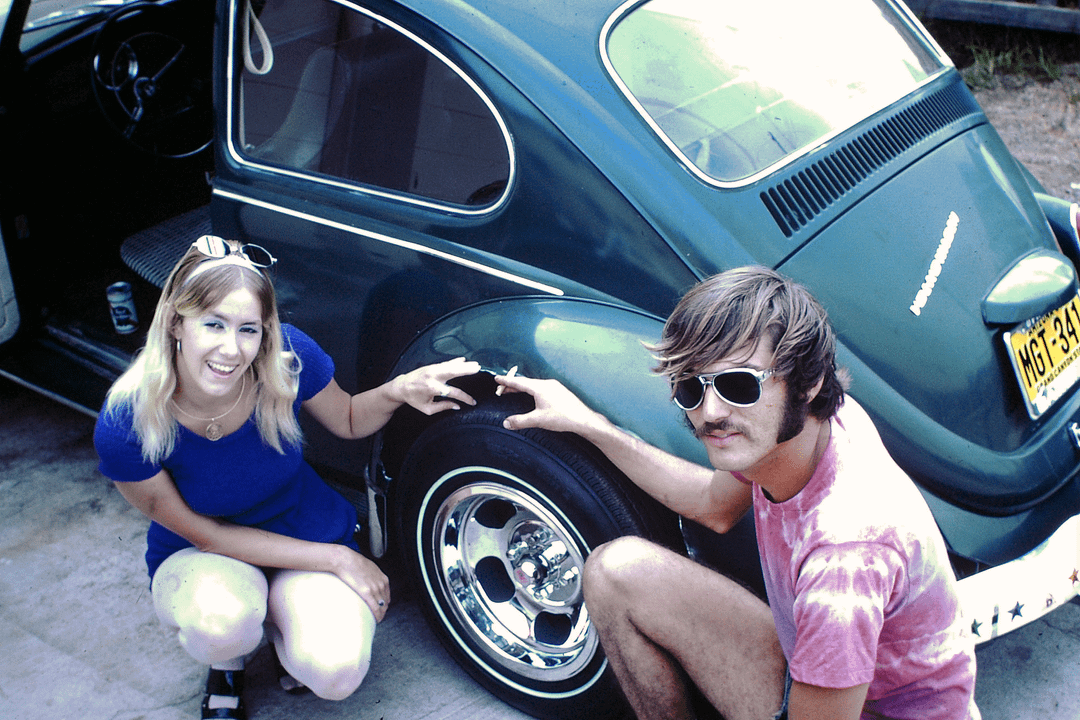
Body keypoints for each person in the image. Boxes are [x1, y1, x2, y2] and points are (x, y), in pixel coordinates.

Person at [495, 266, 979, 720]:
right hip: (826, 671)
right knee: (612, 572)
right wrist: (589, 425)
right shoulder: (809, 427)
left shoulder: (845, 558)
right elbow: (712, 506)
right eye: (691, 387)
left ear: (807, 382)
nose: (709, 412)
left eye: (738, 386)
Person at [93, 235, 479, 720]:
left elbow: (351, 420)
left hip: (300, 525)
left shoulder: (287, 359)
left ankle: (281, 629)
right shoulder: (127, 419)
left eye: (248, 329)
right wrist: (337, 558)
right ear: (175, 322)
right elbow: (206, 535)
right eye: (213, 324)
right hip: (205, 552)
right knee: (222, 624)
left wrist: (399, 389)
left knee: (336, 672)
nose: (231, 350)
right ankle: (229, 662)